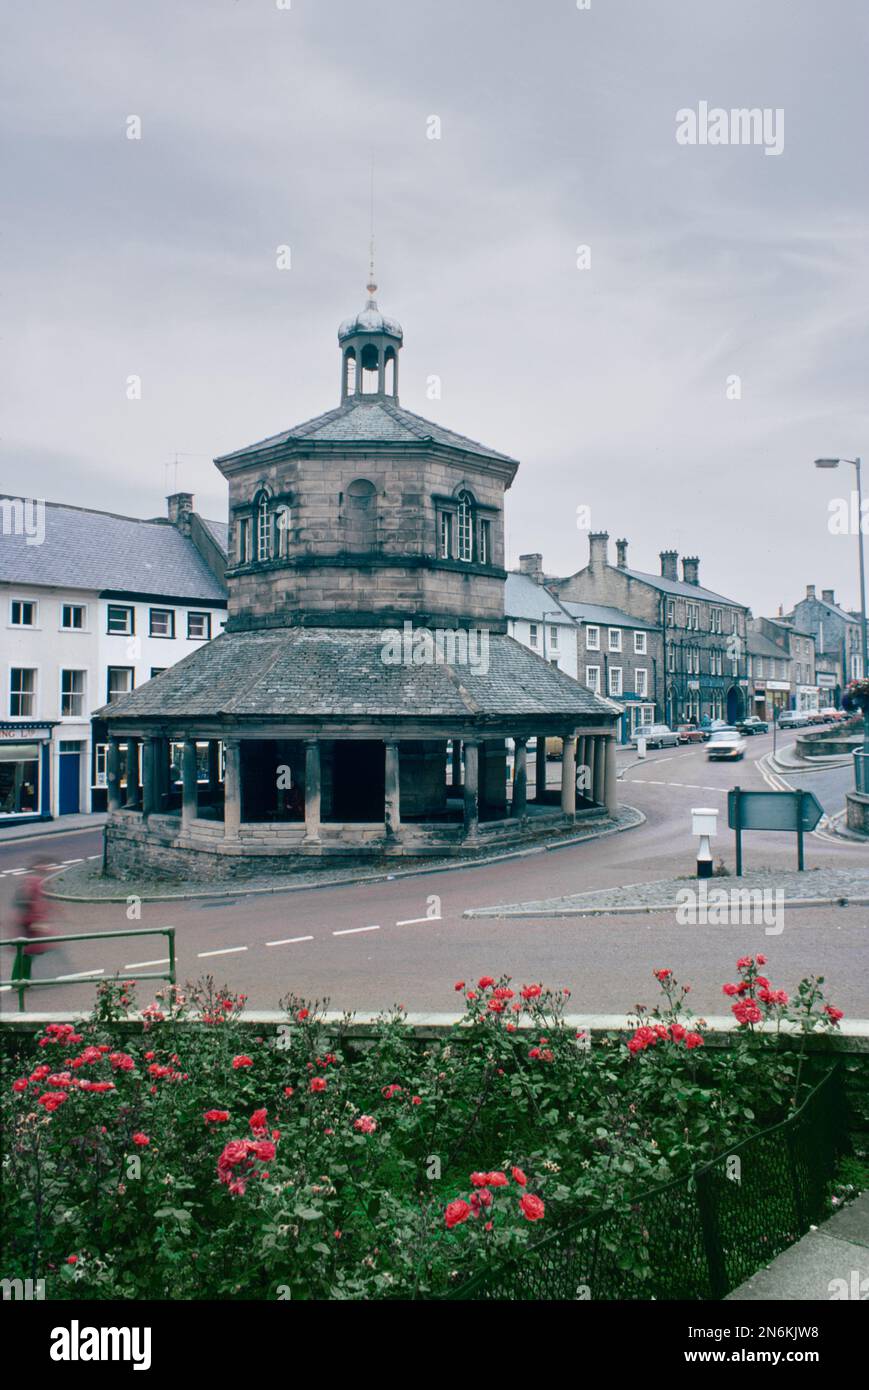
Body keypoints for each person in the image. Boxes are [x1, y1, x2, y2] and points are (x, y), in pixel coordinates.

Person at [10, 858, 58, 987]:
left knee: (27, 950)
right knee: (27, 951)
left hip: (26, 919)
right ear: (38, 866)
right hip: (29, 920)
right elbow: (32, 902)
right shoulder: (35, 882)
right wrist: (36, 920)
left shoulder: (29, 881)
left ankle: (20, 980)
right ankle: (19, 981)